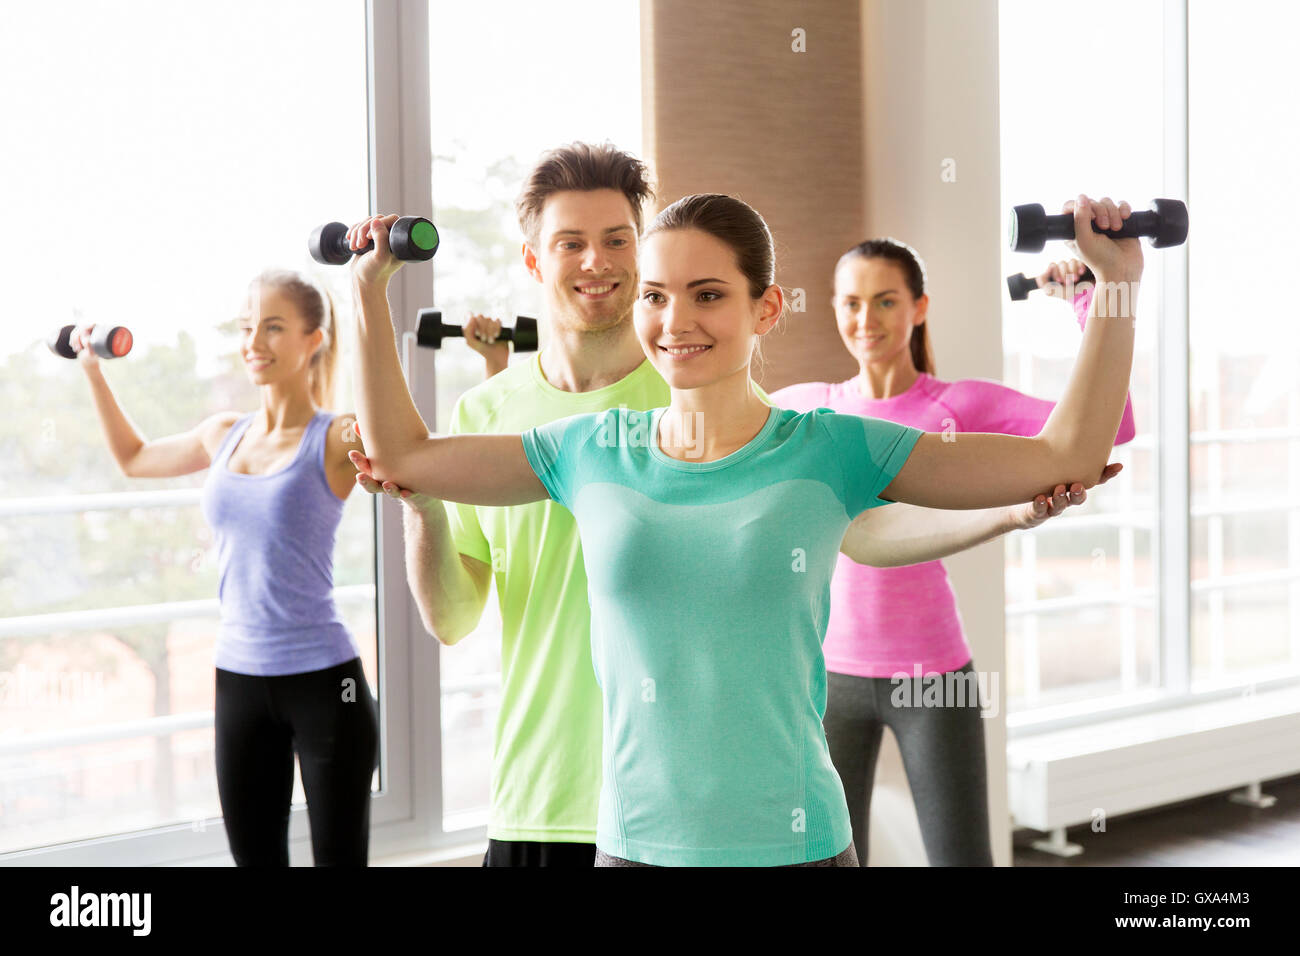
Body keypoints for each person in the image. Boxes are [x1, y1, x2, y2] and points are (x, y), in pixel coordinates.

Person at [344, 188, 1141, 865]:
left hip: (794, 847)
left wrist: (1112, 289)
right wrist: (366, 294)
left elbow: (1067, 452)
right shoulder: (583, 452)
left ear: (765, 308)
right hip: (632, 848)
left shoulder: (832, 446)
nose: (675, 319)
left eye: (708, 294)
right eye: (654, 294)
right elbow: (403, 455)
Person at [772, 242, 1136, 866]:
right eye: (853, 303)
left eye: (886, 301)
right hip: (830, 677)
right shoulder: (810, 406)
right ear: (833, 308)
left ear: (919, 308)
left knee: (963, 859)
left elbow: (1114, 427)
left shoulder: (957, 406)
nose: (867, 319)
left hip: (933, 678)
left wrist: (1086, 301)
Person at [74, 271, 386, 865]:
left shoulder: (337, 436)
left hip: (329, 684)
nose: (254, 342)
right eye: (247, 327)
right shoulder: (225, 434)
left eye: (273, 326)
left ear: (312, 338)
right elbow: (134, 459)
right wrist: (93, 370)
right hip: (239, 678)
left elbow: (400, 443)